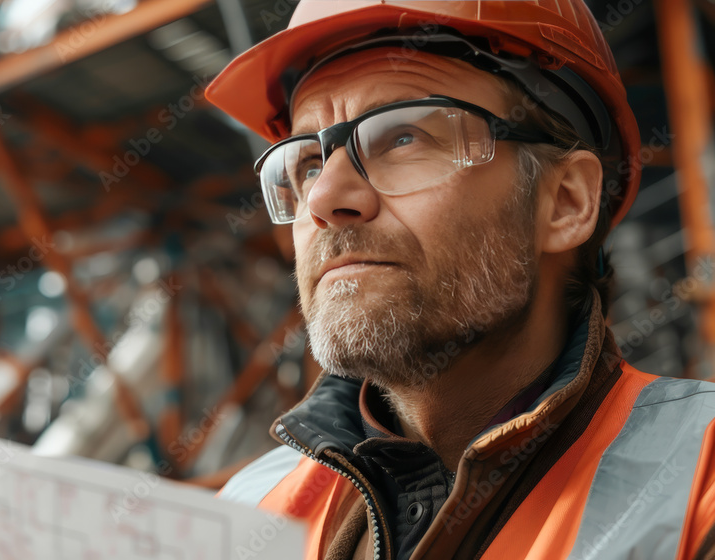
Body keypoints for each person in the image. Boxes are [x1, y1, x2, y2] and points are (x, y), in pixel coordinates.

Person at [204, 2, 715, 559]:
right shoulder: (245, 512)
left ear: (565, 203)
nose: (325, 199)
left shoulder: (700, 477)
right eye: (306, 165)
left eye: (403, 137)